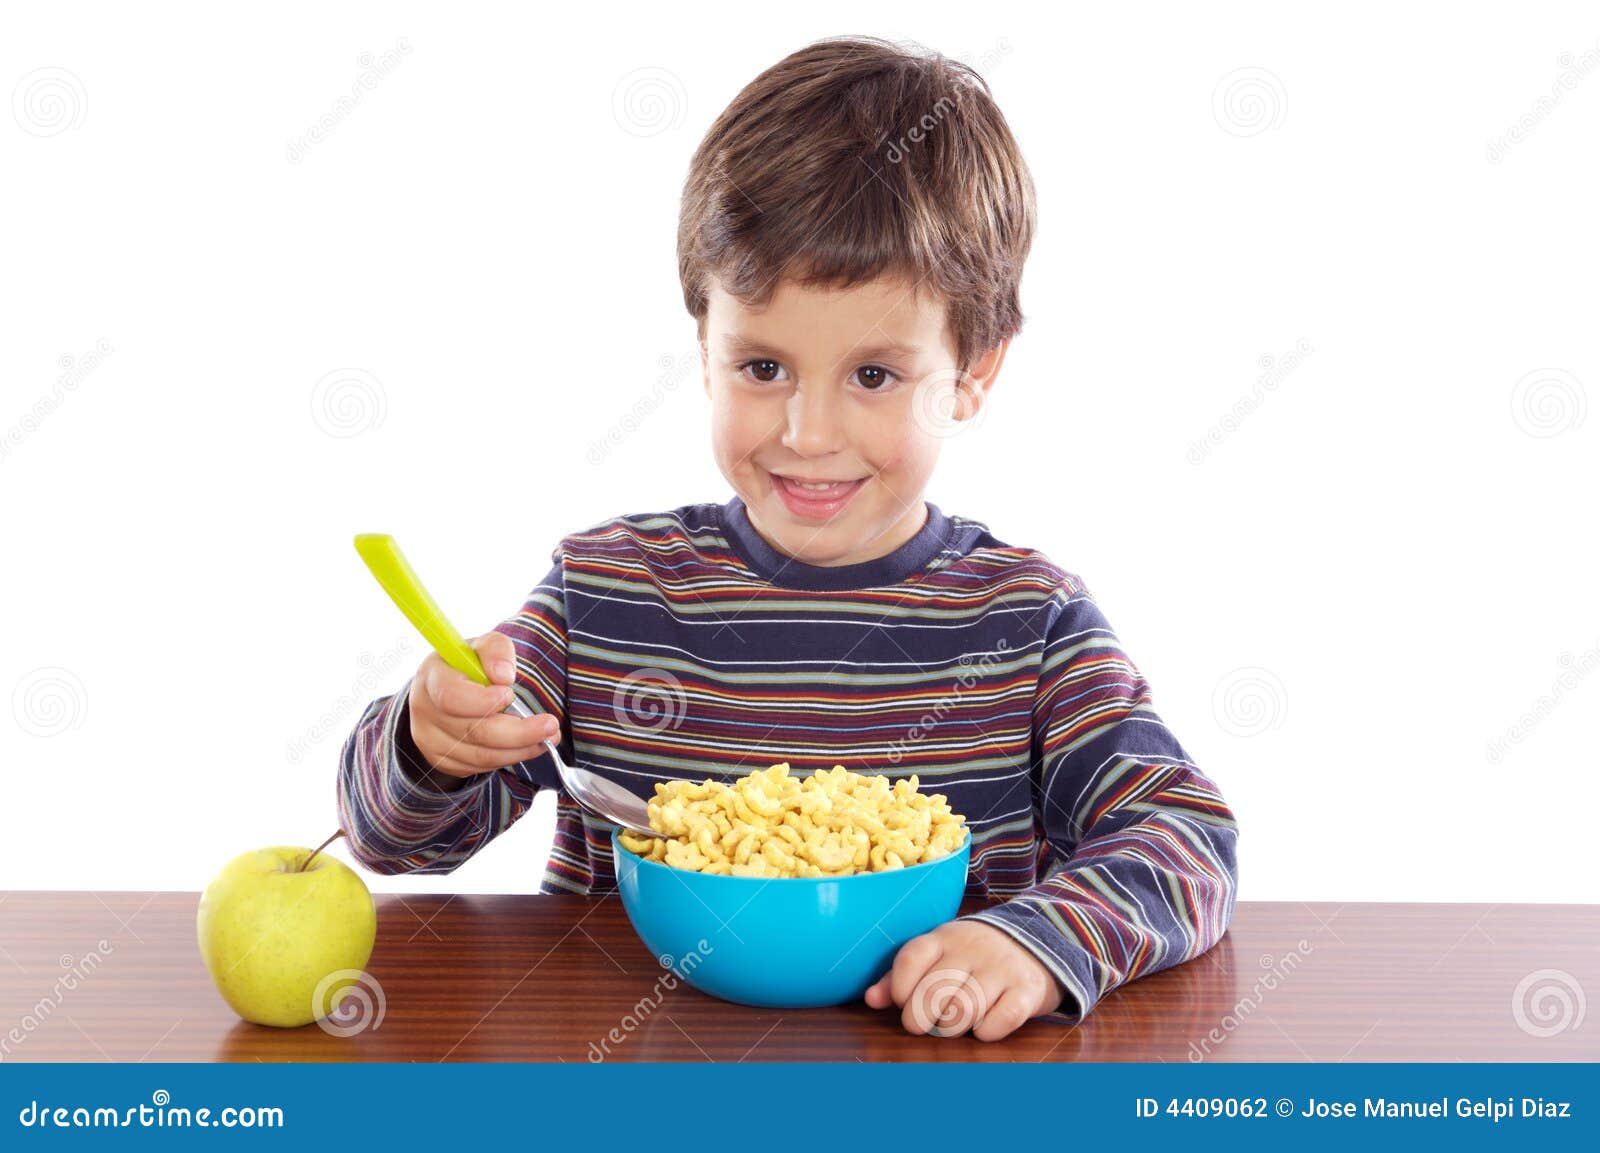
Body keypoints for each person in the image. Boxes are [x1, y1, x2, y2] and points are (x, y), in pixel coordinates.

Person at [338, 35, 1238, 1042]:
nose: (808, 435)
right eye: (762, 367)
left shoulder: (1027, 626)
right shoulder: (604, 596)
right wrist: (430, 739)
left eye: (873, 376)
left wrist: (1035, 943)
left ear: (975, 370)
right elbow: (394, 840)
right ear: (703, 345)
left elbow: (1184, 839)